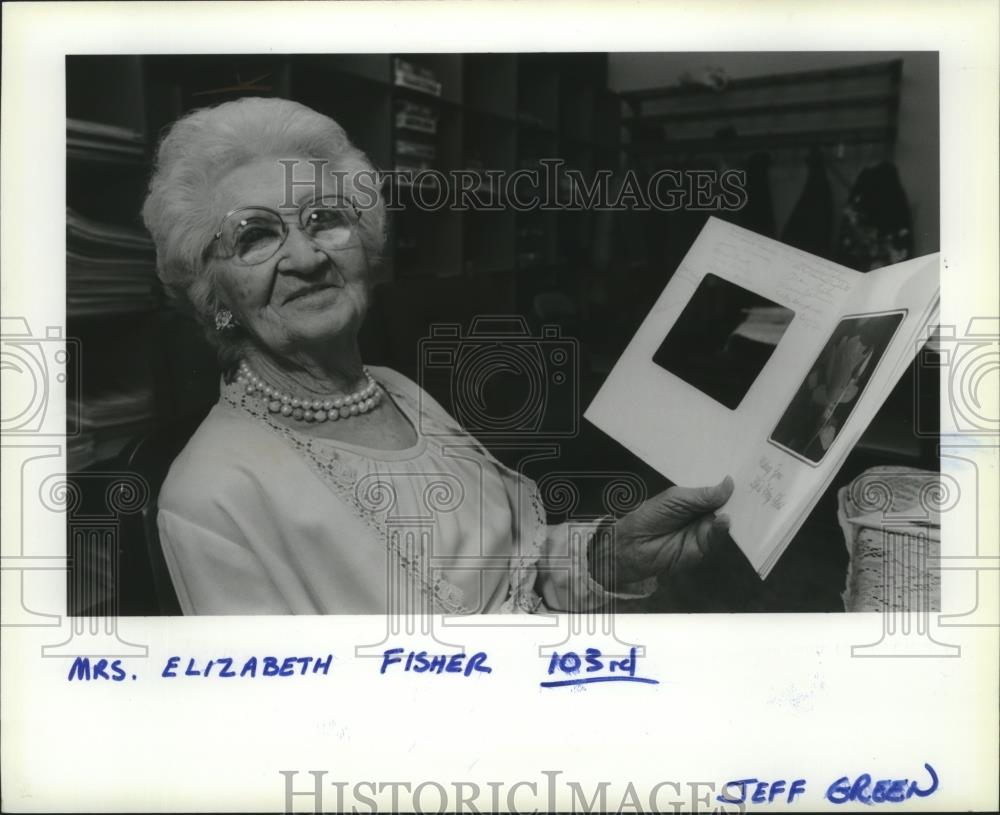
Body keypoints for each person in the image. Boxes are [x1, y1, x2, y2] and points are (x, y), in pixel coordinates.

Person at [142, 96, 734, 615]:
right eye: (256, 235)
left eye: (325, 220)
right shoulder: (210, 495)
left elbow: (507, 574)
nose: (306, 256)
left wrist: (612, 554)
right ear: (212, 292)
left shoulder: (394, 389)